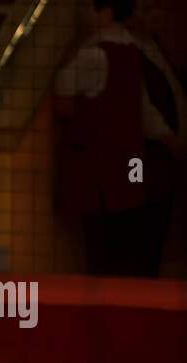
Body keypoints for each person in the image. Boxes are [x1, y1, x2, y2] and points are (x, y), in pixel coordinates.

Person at [54, 0, 180, 276]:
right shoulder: (130, 50)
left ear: (106, 11)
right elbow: (144, 108)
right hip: (126, 173)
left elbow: (62, 98)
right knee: (128, 251)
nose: (85, 13)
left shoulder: (94, 55)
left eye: (91, 8)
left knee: (101, 254)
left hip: (99, 175)